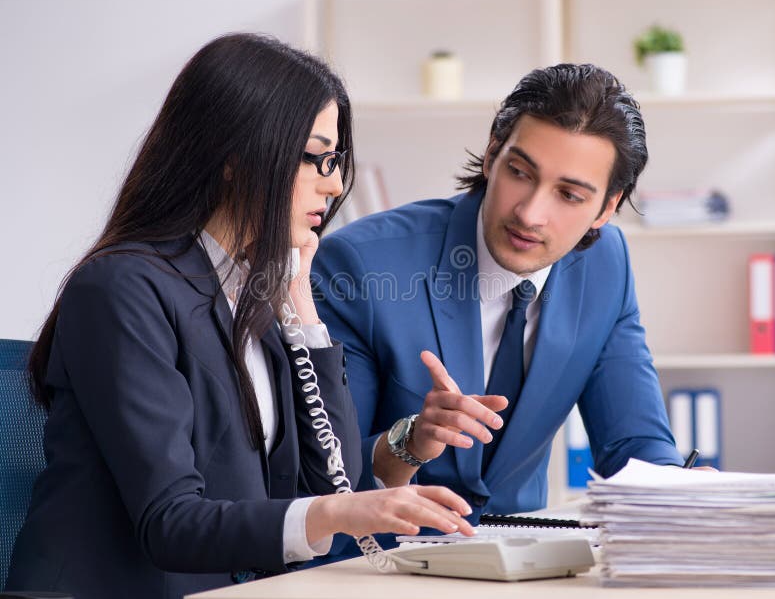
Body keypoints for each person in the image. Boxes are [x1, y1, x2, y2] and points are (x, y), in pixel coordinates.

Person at [6, 33, 473, 599]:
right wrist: (336, 512)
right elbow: (170, 522)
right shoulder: (122, 288)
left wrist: (301, 304)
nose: (333, 183)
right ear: (235, 157)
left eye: (336, 160)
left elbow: (335, 481)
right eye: (315, 157)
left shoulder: (252, 293)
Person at [312, 63, 684, 549]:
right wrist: (408, 441)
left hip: (526, 566)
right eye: (519, 172)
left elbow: (634, 446)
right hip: (377, 567)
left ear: (606, 207)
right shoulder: (361, 266)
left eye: (569, 195)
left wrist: (690, 504)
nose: (530, 213)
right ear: (492, 155)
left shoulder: (605, 265)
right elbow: (325, 478)